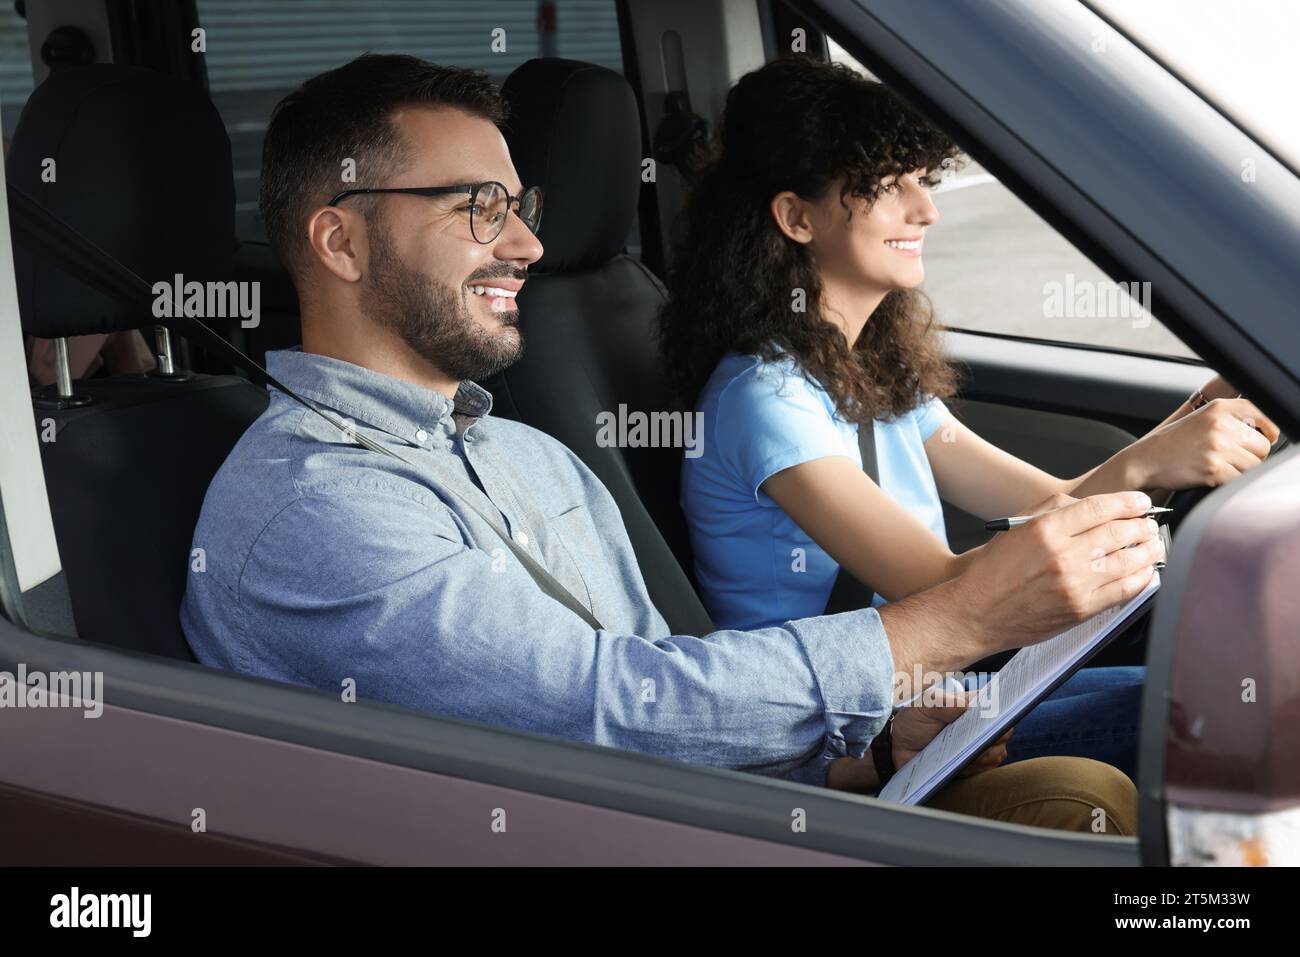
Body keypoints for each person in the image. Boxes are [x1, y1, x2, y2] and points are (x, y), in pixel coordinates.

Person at [181, 53, 1153, 833]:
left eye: (523, 208)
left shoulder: (528, 455)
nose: (523, 245)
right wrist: (959, 622)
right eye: (479, 206)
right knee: (1099, 786)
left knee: (1159, 707)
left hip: (705, 816)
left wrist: (872, 755)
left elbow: (672, 693)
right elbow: (605, 715)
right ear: (341, 243)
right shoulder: (315, 504)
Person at [660, 57, 1279, 780]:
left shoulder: (868, 372)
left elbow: (1046, 504)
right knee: (1204, 707)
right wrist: (1147, 465)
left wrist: (1205, 405)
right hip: (842, 736)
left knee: (1215, 682)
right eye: (890, 188)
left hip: (930, 692)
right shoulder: (765, 401)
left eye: (921, 181)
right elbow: (948, 588)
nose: (926, 211)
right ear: (798, 217)